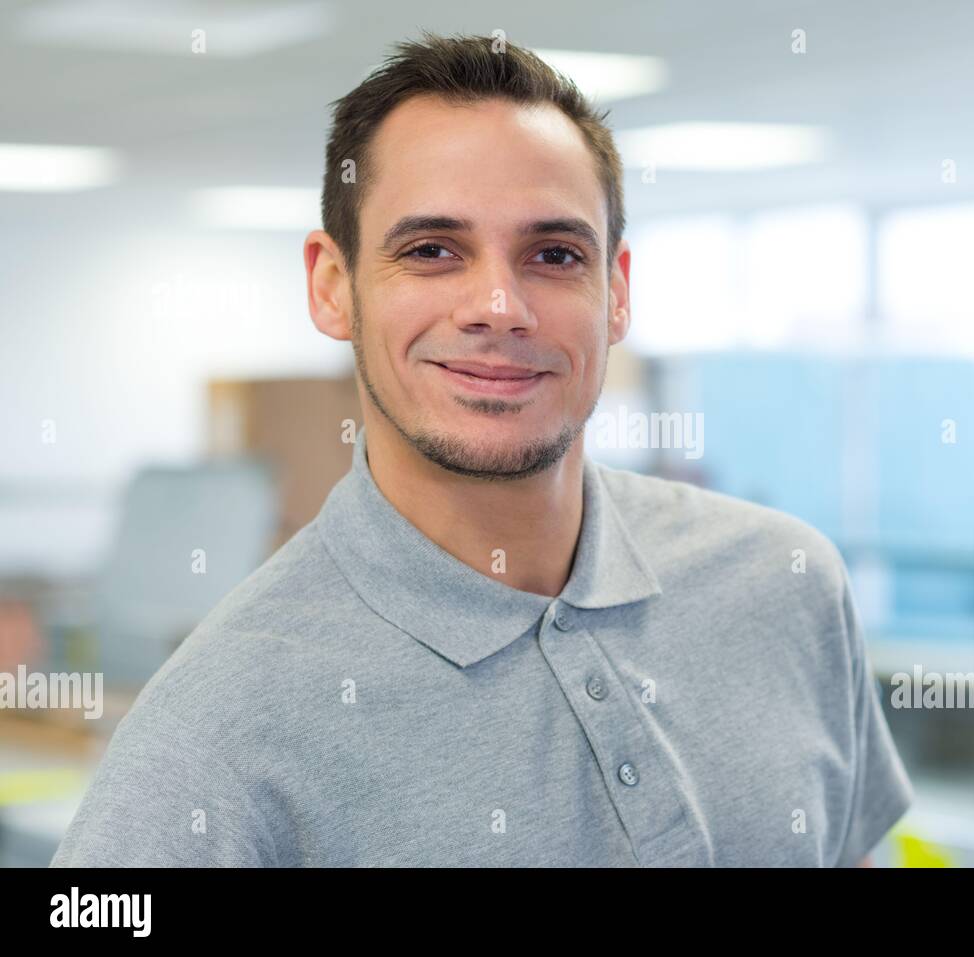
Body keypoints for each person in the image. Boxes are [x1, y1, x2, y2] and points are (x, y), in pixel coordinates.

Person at [51, 31, 911, 867]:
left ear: (615, 292)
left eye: (553, 253)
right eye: (432, 250)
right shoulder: (214, 733)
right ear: (332, 286)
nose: (499, 305)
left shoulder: (786, 585)